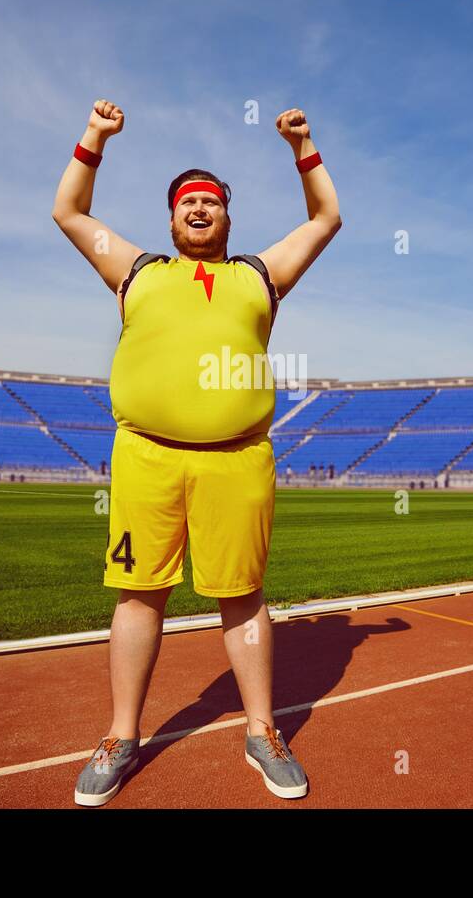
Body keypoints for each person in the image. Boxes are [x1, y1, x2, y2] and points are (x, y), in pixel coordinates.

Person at [52, 99, 341, 806]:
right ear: (173, 219)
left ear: (228, 220)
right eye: (189, 202)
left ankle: (262, 731)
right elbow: (68, 211)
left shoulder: (259, 276)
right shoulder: (136, 271)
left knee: (241, 597)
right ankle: (122, 735)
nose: (201, 210)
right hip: (145, 457)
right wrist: (95, 137)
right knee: (138, 593)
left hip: (238, 459)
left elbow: (326, 218)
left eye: (212, 202)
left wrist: (302, 146)